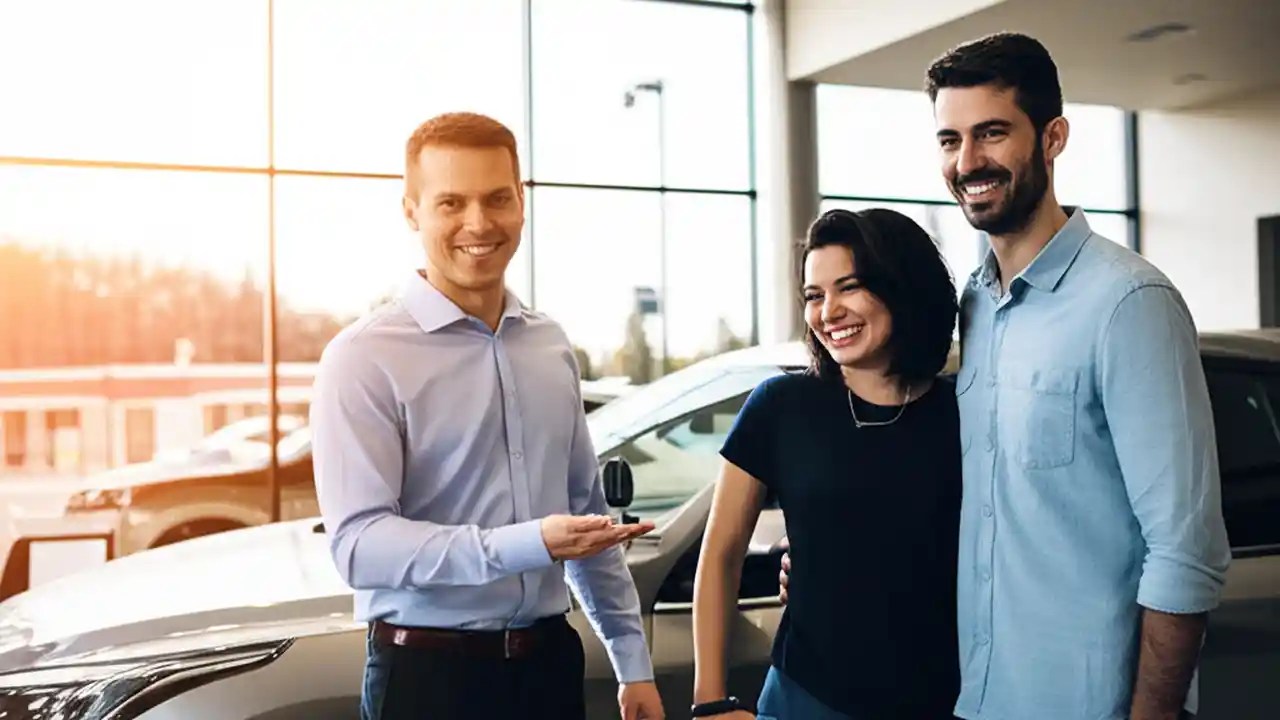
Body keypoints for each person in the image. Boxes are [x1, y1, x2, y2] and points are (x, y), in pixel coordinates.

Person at [781, 32, 1232, 720]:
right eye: (949, 140)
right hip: (978, 700)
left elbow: (1186, 553)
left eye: (992, 134)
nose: (968, 162)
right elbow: (977, 500)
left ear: (1052, 138)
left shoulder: (1128, 304)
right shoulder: (975, 306)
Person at [310, 111, 666, 720]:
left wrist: (632, 662)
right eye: (451, 202)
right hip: (428, 681)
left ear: (521, 202)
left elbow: (587, 512)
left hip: (550, 667)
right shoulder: (363, 356)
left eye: (497, 199)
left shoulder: (549, 344)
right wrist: (528, 544)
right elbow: (360, 545)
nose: (479, 223)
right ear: (411, 211)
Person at [690, 207, 962, 719]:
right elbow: (720, 556)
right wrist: (710, 700)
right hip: (805, 698)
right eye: (815, 295)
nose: (828, 311)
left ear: (902, 286)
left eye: (850, 287)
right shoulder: (780, 405)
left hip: (942, 700)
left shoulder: (964, 414)